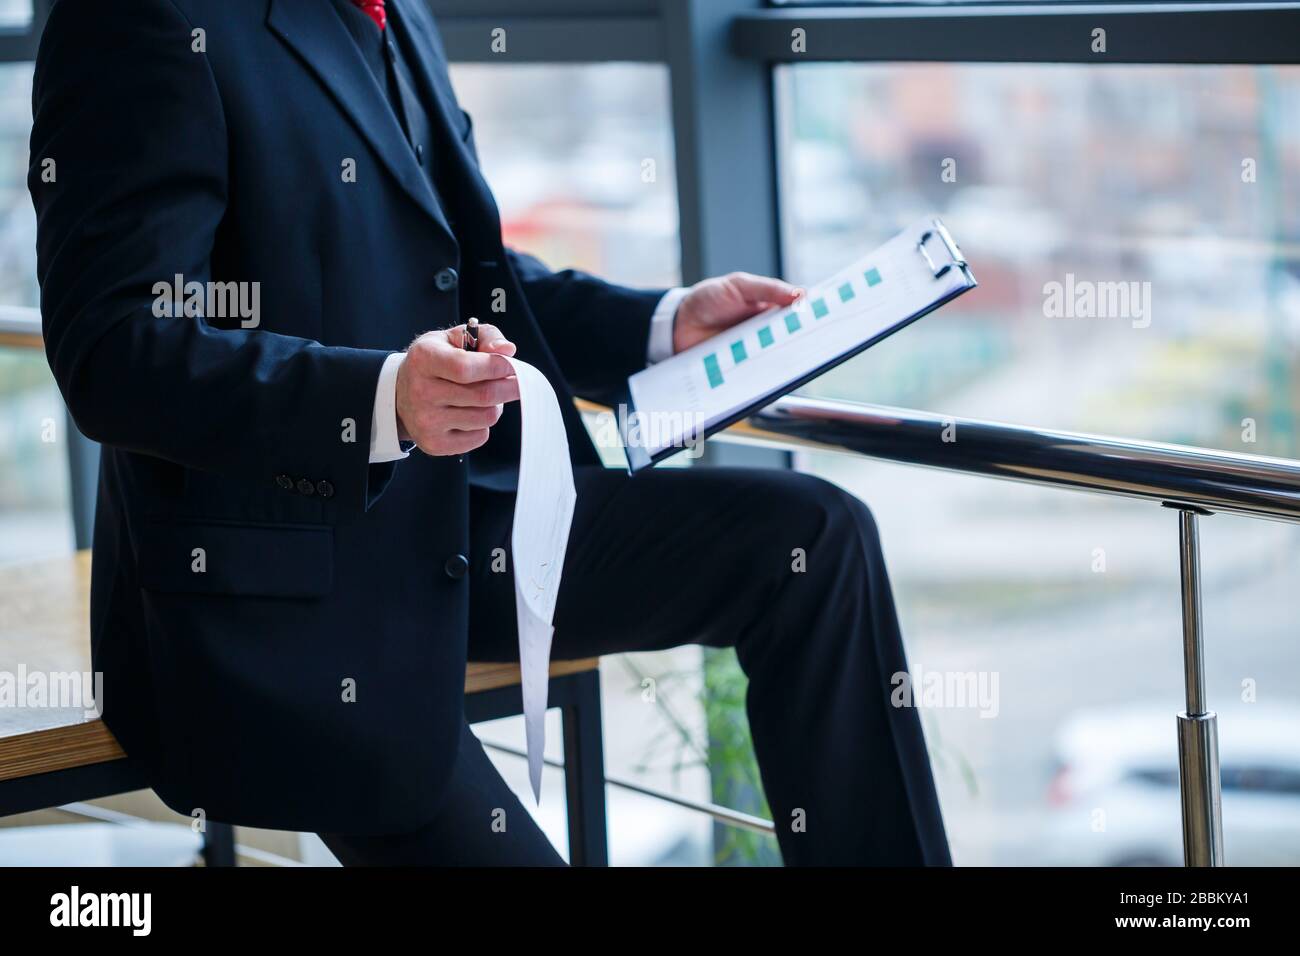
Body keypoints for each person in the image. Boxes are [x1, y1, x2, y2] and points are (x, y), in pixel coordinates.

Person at [28, 0, 949, 866]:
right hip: (292, 590)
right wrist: (383, 399)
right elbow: (117, 348)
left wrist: (660, 325)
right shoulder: (140, 13)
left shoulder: (398, 14)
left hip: (473, 517)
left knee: (814, 539)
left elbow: (468, 274)